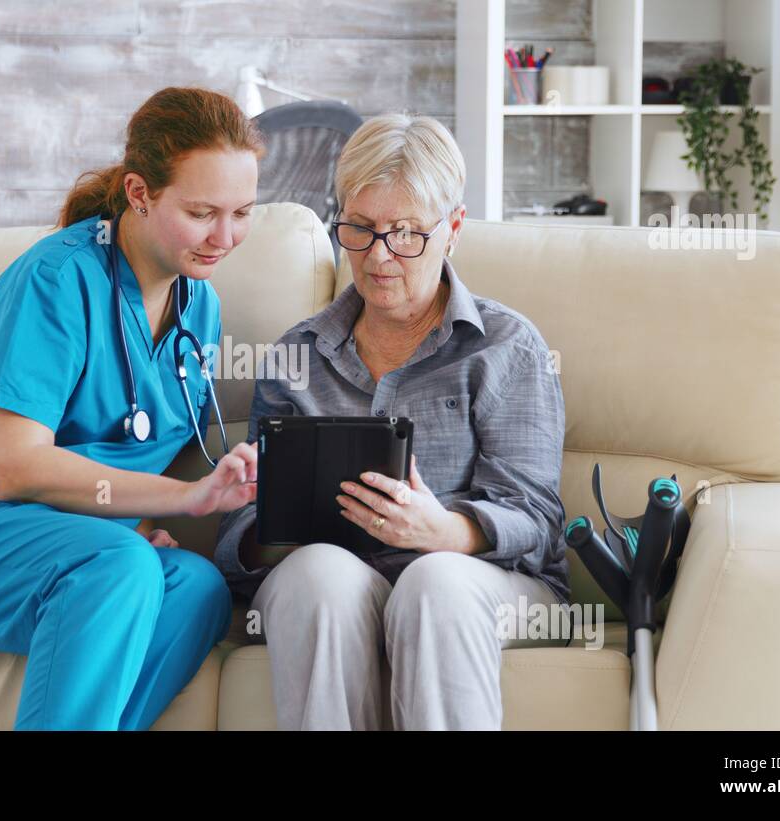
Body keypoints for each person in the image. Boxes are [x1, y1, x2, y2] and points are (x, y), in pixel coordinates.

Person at [0, 87, 264, 730]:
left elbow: (109, 451)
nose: (225, 236)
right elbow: (13, 470)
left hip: (67, 544)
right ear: (140, 193)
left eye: (243, 211)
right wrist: (179, 498)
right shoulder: (56, 280)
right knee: (119, 563)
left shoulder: (202, 309)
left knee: (196, 588)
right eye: (201, 212)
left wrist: (126, 523)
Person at [213, 113, 569, 730]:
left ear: (452, 229)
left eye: (405, 233)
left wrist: (447, 532)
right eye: (361, 229)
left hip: (478, 582)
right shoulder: (295, 357)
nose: (379, 256)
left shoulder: (508, 348)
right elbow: (237, 540)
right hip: (337, 582)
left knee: (434, 585)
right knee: (318, 576)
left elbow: (536, 520)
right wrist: (256, 512)